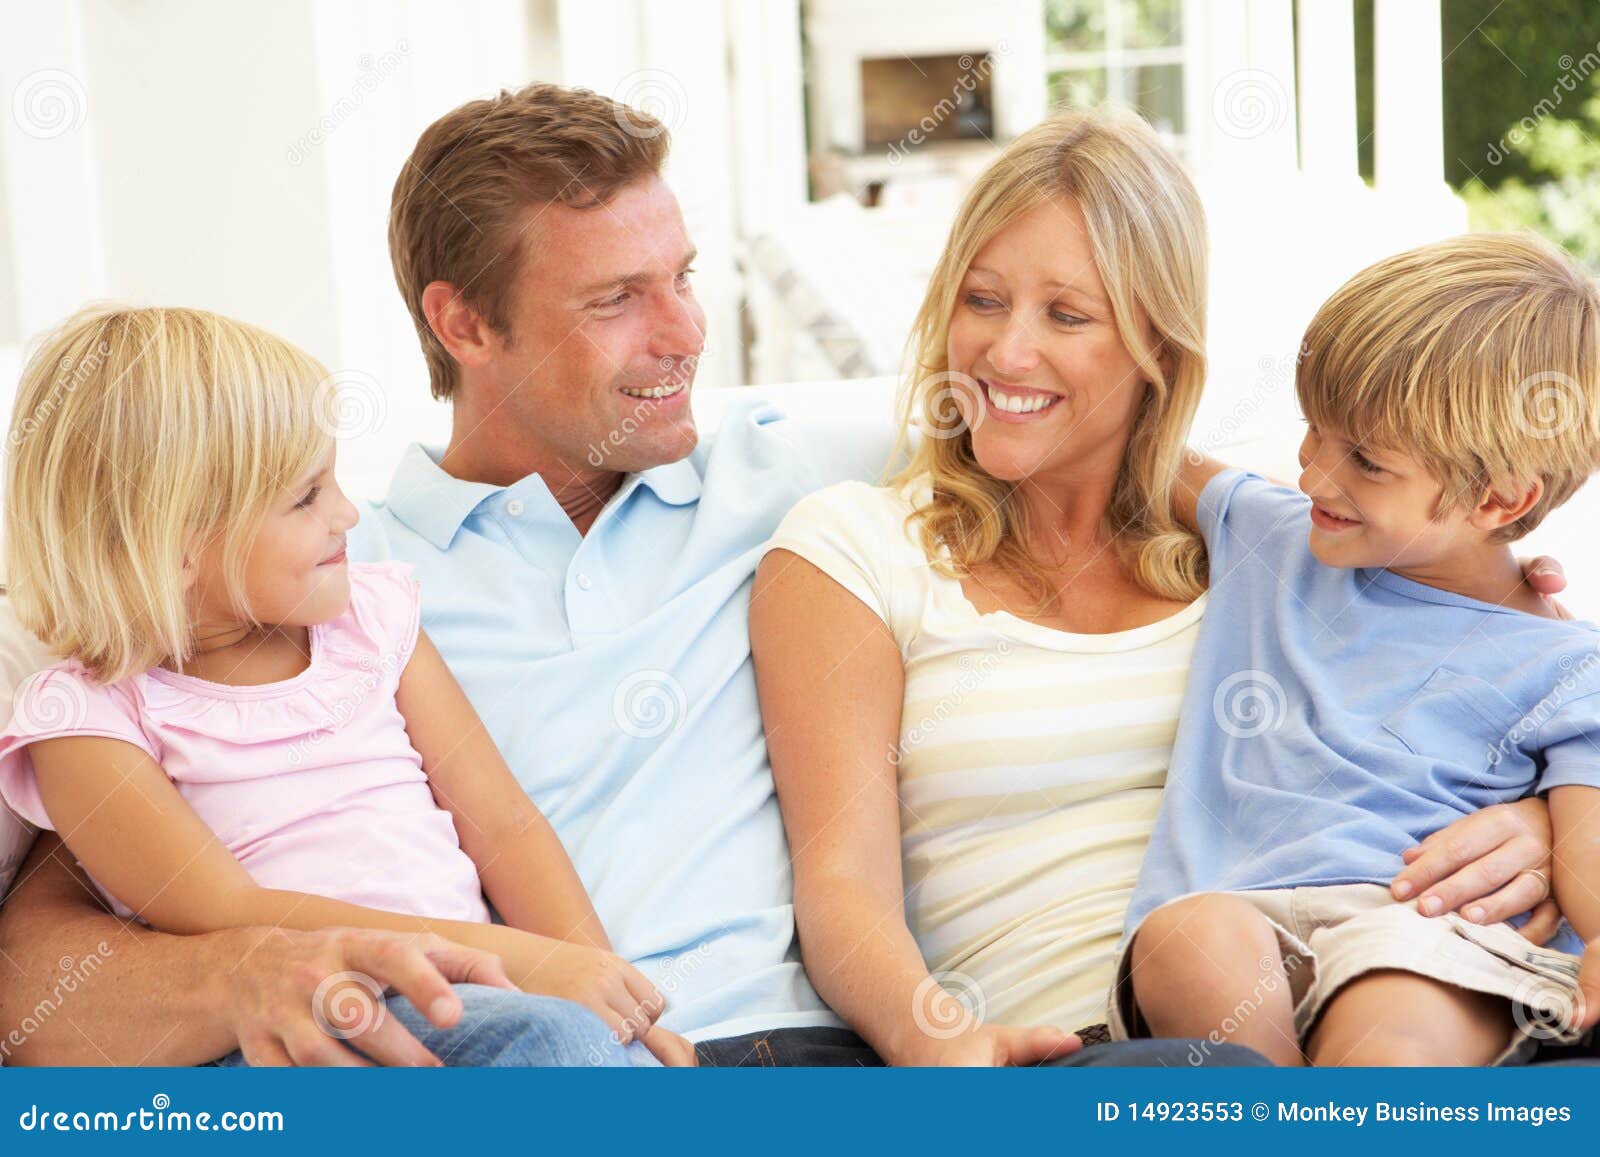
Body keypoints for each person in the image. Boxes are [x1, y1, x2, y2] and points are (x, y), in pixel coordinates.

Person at [0, 87, 1562, 1068]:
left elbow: (1093, 431)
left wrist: (1511, 672)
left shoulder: (798, 458)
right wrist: (258, 969)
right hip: (571, 1048)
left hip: (838, 1050)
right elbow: (47, 959)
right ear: (461, 323)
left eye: (685, 277)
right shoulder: (324, 582)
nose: (687, 333)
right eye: (619, 299)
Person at [748, 108, 1573, 1065]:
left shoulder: (1288, 545)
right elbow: (841, 887)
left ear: (1161, 351)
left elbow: (1503, 666)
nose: (1007, 353)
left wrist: (1551, 824)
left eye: (1067, 315)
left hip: (1380, 996)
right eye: (981, 300)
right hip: (1073, 1052)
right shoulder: (854, 547)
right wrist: (937, 1040)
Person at [0, 305, 687, 1067]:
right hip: (289, 1033)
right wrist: (527, 962)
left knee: (580, 1044)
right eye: (306, 497)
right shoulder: (88, 719)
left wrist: (604, 987)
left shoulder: (373, 620)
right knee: (551, 1042)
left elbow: (505, 824)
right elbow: (227, 912)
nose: (347, 513)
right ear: (175, 546)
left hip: (475, 1002)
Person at [1114, 233, 1600, 1066]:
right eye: (1315, 431)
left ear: (1499, 500)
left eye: (1366, 462)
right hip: (1235, 914)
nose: (1313, 477)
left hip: (1425, 931)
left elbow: (1586, 830)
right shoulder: (1270, 532)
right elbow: (1139, 448)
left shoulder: (1567, 661)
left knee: (1394, 1025)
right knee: (1186, 937)